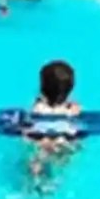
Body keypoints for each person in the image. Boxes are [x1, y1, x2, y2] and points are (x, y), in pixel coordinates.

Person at [20, 61, 84, 189]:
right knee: (69, 149)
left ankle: (35, 183)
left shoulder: (37, 108)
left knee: (37, 160)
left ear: (41, 87)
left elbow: (26, 128)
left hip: (41, 141)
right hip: (64, 141)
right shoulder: (72, 110)